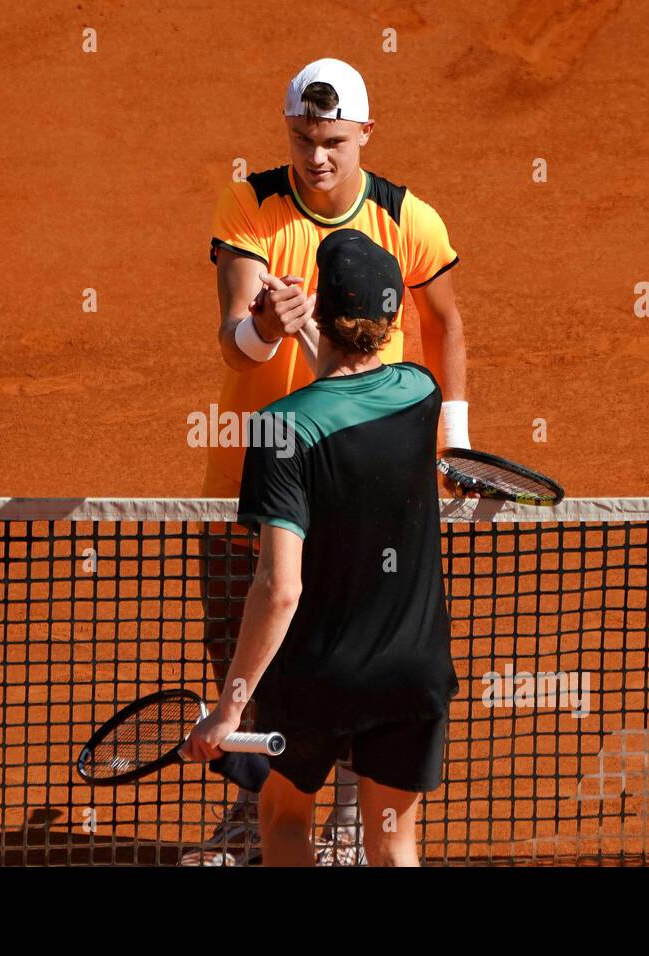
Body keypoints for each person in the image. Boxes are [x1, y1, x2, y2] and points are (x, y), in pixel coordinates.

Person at [192, 57, 470, 866]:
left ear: (365, 137)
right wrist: (268, 329)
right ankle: (250, 811)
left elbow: (447, 325)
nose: (317, 157)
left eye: (335, 142)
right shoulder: (250, 203)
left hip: (352, 474)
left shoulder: (408, 217)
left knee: (337, 640)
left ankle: (345, 811)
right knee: (238, 635)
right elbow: (235, 346)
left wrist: (446, 441)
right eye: (304, 140)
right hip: (264, 467)